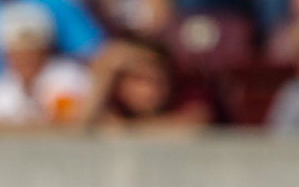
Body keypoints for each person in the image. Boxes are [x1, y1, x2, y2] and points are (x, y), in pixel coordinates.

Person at [0, 0, 92, 126]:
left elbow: (78, 122)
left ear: (45, 50)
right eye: (17, 52)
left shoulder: (71, 78)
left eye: (31, 49)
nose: (26, 58)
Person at [81, 36, 214, 128]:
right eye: (139, 79)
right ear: (119, 81)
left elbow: (194, 123)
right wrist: (106, 68)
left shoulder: (186, 91)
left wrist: (127, 129)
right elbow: (76, 126)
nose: (149, 91)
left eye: (159, 81)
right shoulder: (108, 99)